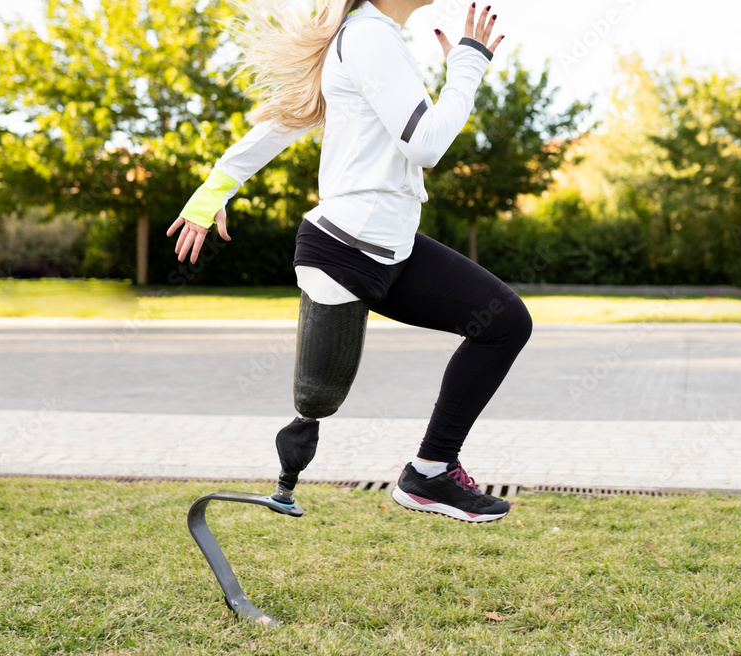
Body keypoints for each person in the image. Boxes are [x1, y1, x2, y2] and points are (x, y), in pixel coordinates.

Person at [167, 0, 531, 523]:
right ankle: (294, 482)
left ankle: (429, 472)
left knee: (504, 320)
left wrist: (217, 187)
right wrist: (468, 68)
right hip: (344, 248)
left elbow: (287, 117)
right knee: (314, 403)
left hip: (393, 246)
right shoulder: (368, 37)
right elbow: (425, 144)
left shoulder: (371, 37)